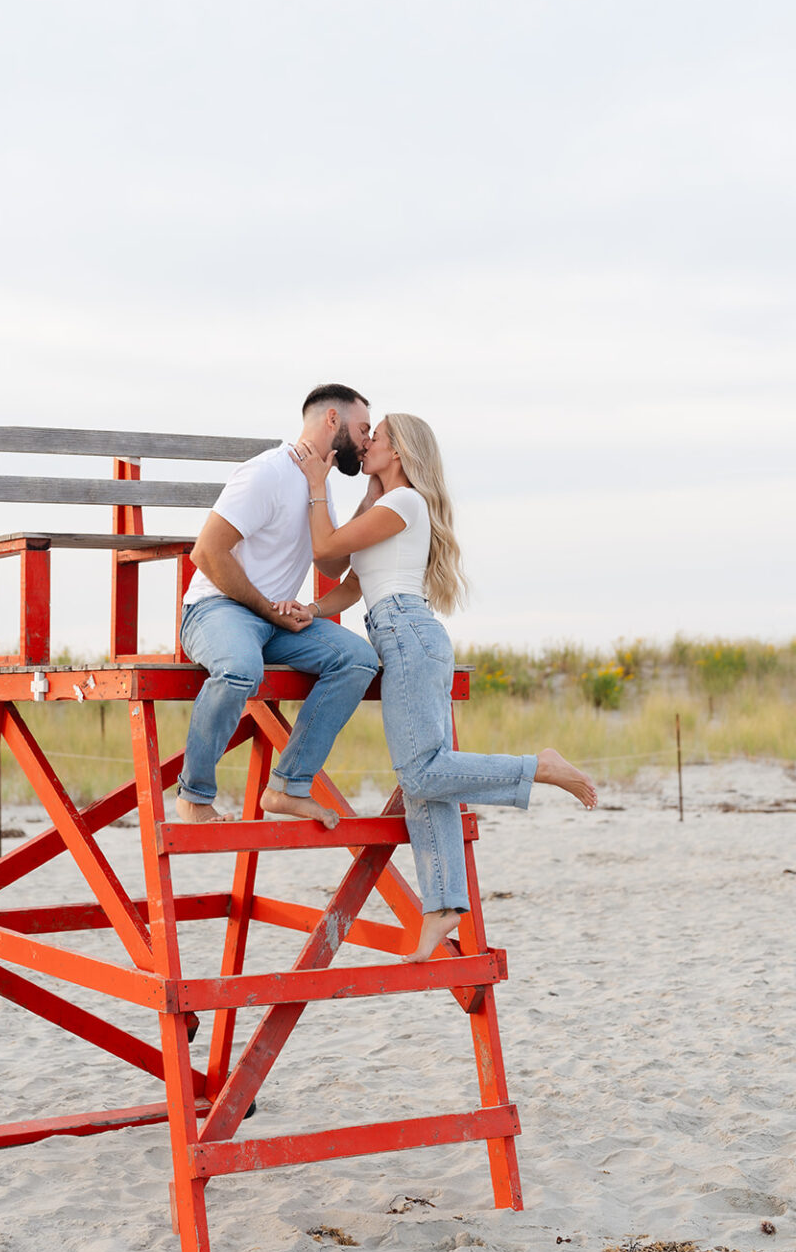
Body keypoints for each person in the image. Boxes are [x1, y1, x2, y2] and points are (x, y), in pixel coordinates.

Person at [286, 413, 598, 962]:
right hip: (402, 634)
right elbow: (347, 576)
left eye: (375, 436)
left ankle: (539, 767)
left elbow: (321, 547)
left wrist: (317, 486)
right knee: (428, 780)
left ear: (400, 451)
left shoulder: (404, 503)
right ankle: (444, 906)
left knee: (421, 772)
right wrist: (311, 609)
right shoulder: (382, 506)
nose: (366, 441)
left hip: (407, 634)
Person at [175, 384, 381, 829]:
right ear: (332, 420)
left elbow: (329, 559)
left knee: (358, 659)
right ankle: (194, 798)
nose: (367, 440)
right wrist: (267, 609)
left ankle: (288, 787)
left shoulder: (315, 481)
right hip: (218, 609)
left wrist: (362, 498)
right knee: (238, 670)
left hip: (275, 620)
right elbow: (207, 554)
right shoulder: (266, 472)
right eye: (363, 428)